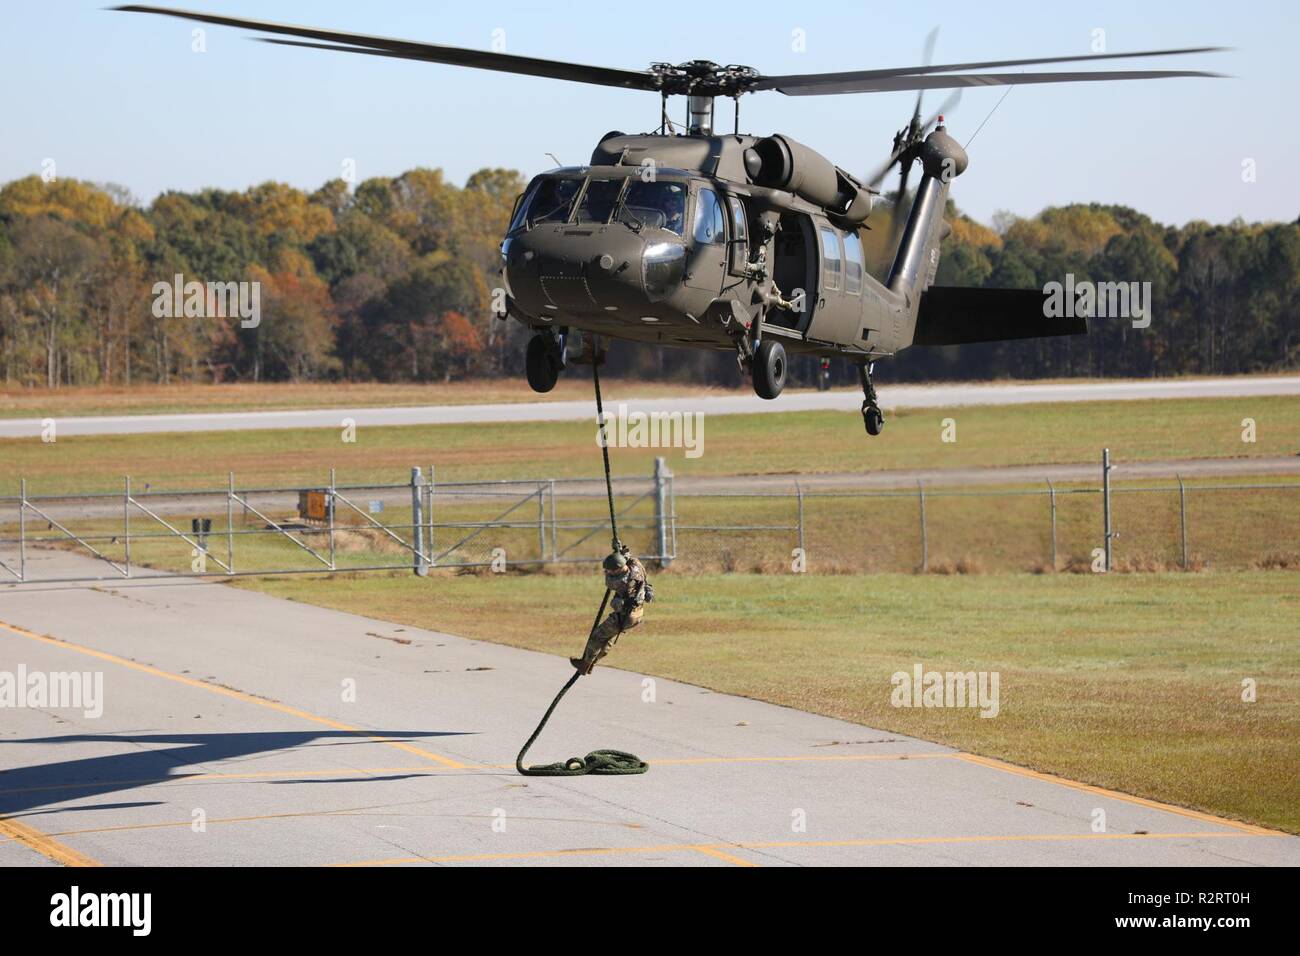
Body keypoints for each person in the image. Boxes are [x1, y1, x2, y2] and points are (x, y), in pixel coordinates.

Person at [571, 545, 649, 675]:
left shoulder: (620, 582)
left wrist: (620, 557)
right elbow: (630, 559)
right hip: (637, 614)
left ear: (617, 569)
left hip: (625, 616)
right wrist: (621, 551)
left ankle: (585, 664)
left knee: (597, 636)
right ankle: (592, 664)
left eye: (610, 570)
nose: (608, 572)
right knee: (608, 638)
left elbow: (609, 581)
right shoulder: (637, 567)